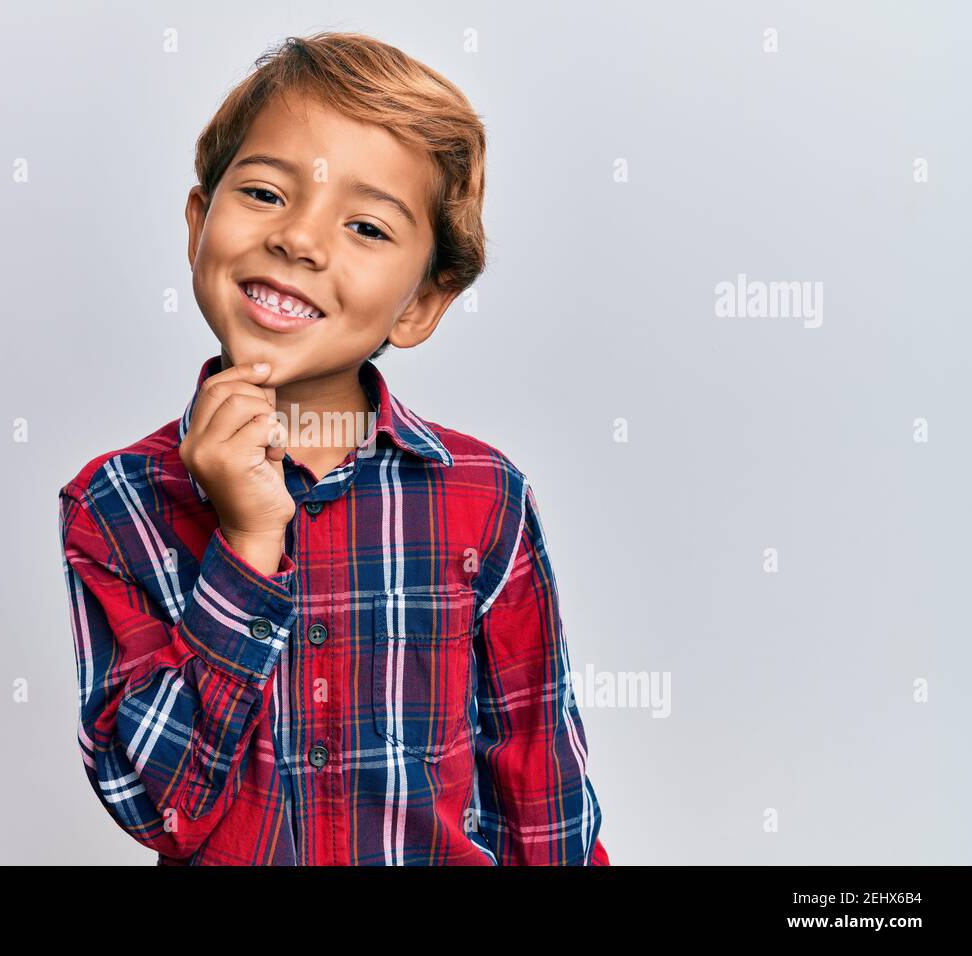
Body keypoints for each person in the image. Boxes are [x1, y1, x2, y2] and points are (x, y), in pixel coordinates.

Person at [58, 31, 609, 865]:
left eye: (365, 226)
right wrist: (245, 544)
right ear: (199, 222)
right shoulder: (116, 504)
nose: (302, 241)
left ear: (421, 305)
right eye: (266, 194)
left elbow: (539, 782)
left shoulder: (484, 498)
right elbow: (159, 809)